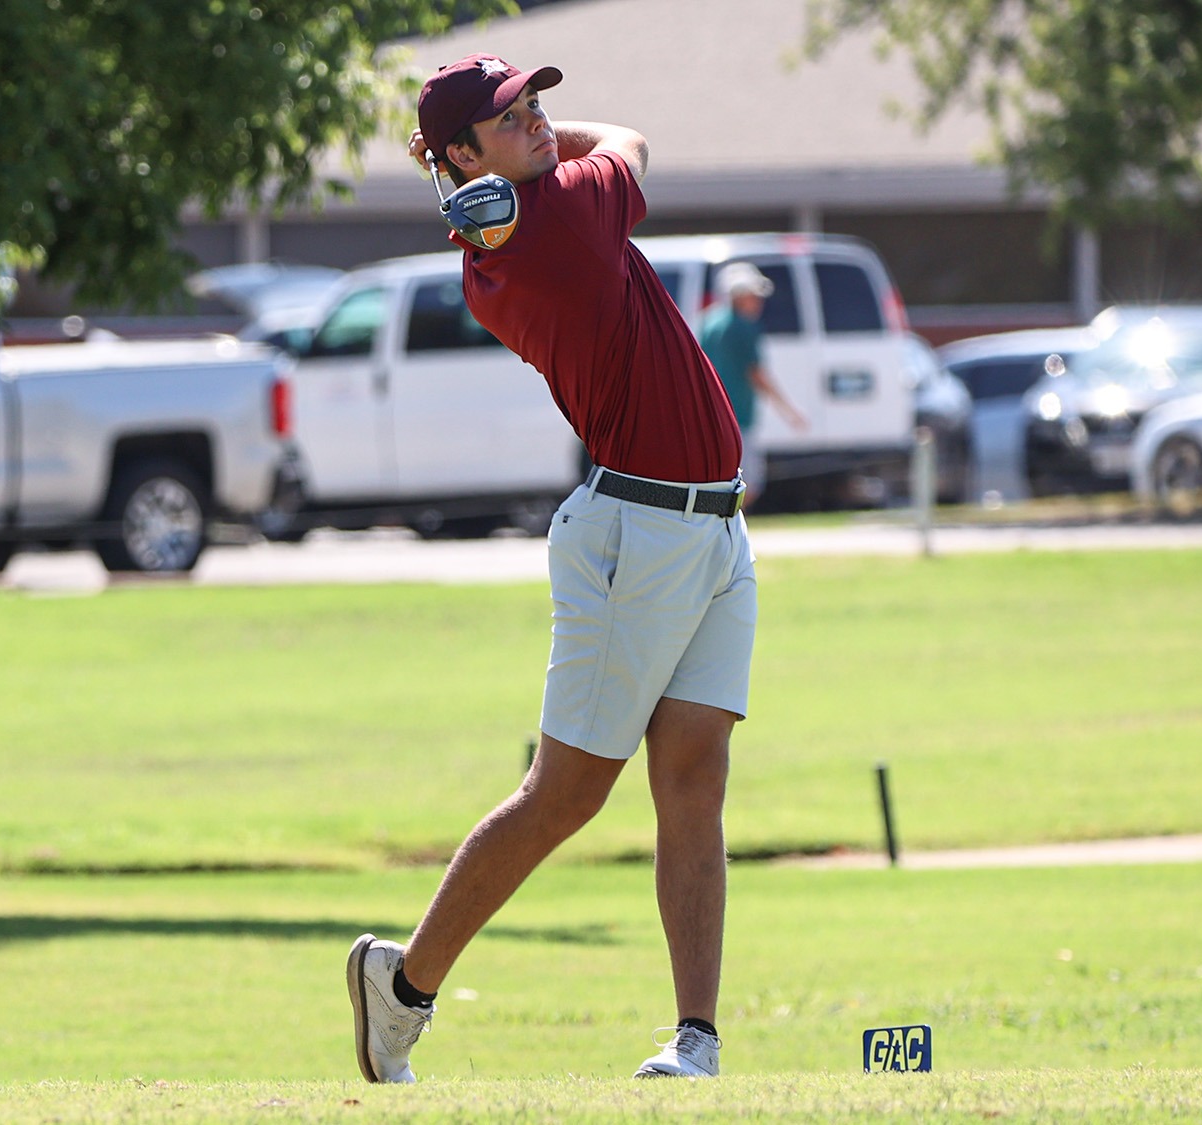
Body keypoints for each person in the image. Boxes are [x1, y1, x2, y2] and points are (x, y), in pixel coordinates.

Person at [347, 53, 757, 1083]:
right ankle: (402, 989)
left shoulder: (507, 238)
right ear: (458, 156)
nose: (536, 121)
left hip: (711, 527)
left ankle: (696, 1041)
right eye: (510, 116)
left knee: (694, 777)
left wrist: (501, 155)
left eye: (536, 104)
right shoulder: (561, 220)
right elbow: (631, 142)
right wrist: (548, 151)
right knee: (565, 795)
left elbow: (573, 158)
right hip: (637, 535)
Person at [695, 263, 808, 506]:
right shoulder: (742, 327)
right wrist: (789, 412)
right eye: (753, 296)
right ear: (739, 296)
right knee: (749, 483)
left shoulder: (708, 321)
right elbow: (757, 374)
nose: (759, 302)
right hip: (737, 416)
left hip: (709, 415)